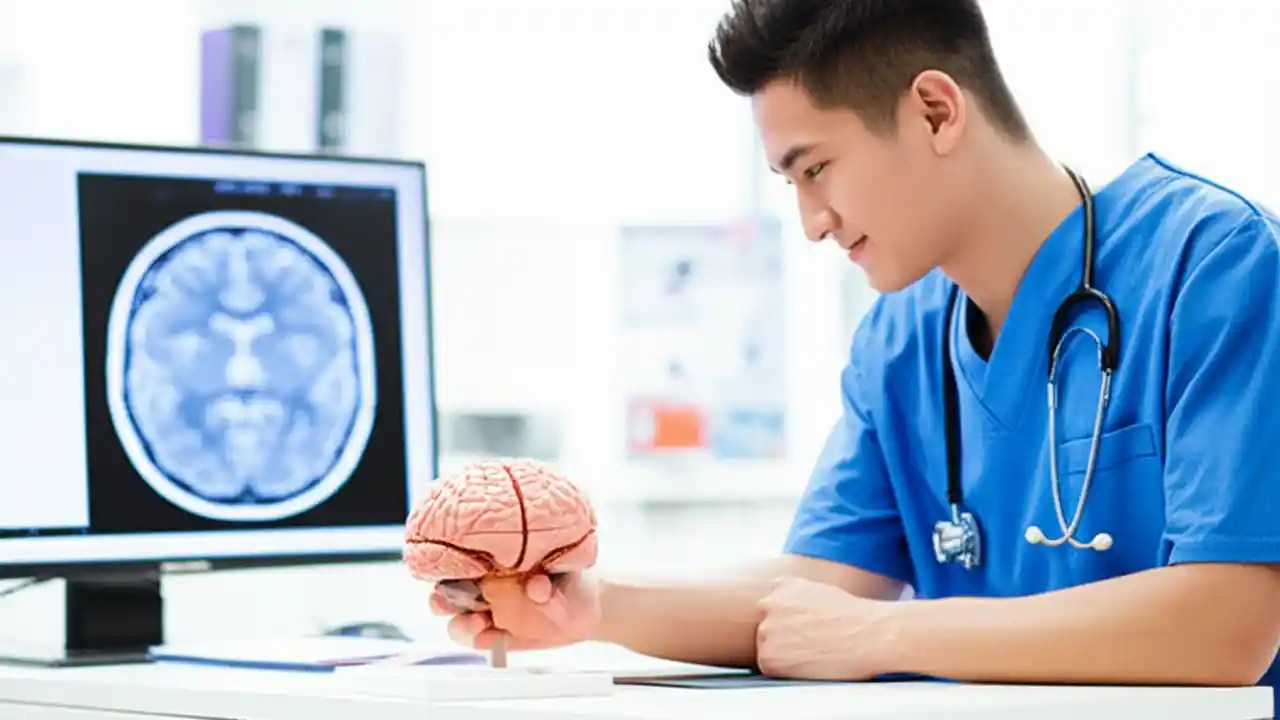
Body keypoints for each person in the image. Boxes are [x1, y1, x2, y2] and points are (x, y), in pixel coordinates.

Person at [434, 0, 1280, 694]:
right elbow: (816, 599)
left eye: (815, 169)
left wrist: (886, 631)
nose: (811, 222)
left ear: (935, 111)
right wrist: (586, 606)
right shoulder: (901, 336)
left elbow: (1226, 627)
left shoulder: (1214, 265)